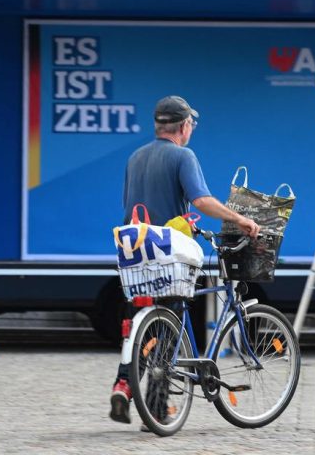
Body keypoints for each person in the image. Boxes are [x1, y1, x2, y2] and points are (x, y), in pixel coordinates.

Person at [109, 95, 259, 426]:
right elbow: (202, 200)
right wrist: (241, 220)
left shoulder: (135, 157)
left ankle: (123, 385)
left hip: (135, 253)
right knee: (168, 326)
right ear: (184, 125)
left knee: (140, 325)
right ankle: (158, 407)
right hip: (167, 253)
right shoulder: (183, 156)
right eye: (191, 123)